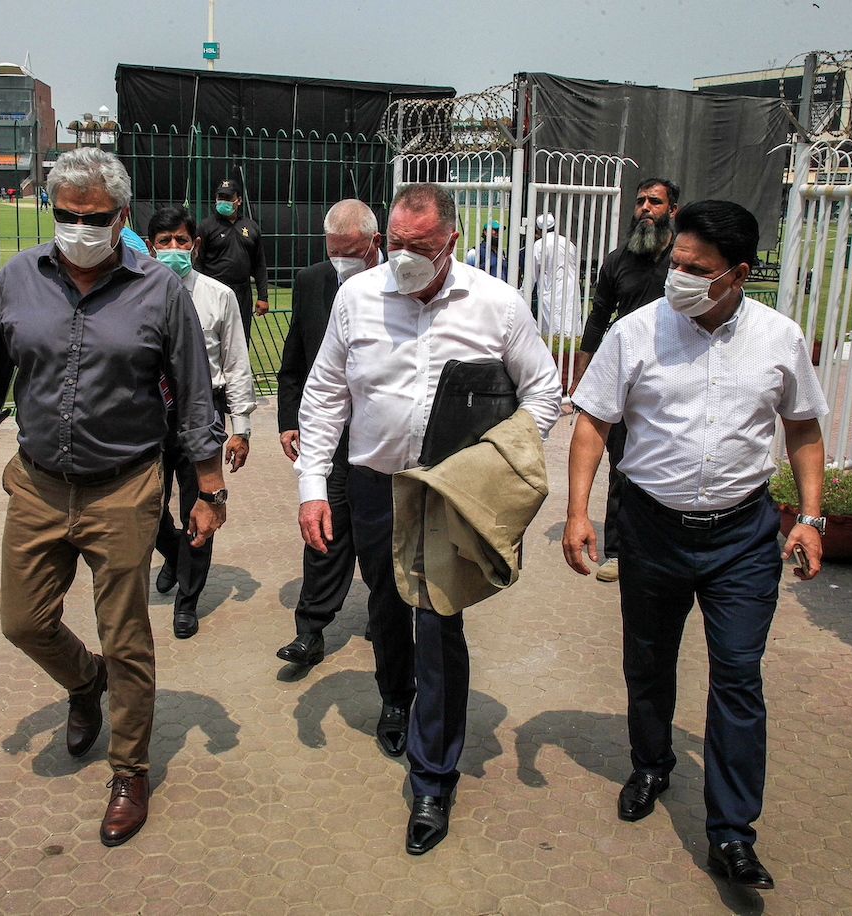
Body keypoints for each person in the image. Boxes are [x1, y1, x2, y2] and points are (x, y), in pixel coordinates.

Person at [0, 147, 226, 848]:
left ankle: (130, 771)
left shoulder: (159, 290)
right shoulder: (17, 280)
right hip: (37, 483)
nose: (79, 228)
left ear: (121, 217)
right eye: (66, 215)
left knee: (126, 636)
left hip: (125, 487)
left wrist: (210, 488)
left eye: (94, 218)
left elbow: (194, 396)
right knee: (22, 621)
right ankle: (81, 681)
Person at [563, 199, 828, 891]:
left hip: (742, 536)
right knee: (648, 663)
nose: (677, 277)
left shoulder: (778, 338)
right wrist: (578, 512)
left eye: (695, 269)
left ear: (738, 274)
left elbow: (801, 427)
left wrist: (812, 516)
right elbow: (592, 422)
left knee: (739, 676)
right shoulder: (636, 332)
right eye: (675, 263)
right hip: (652, 528)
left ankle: (733, 833)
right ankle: (651, 764)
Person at [296, 183, 561, 855]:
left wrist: (503, 469)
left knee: (439, 619)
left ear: (452, 241)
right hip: (376, 482)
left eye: (421, 246)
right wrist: (311, 487)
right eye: (397, 245)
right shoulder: (357, 298)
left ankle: (433, 778)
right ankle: (394, 695)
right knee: (385, 597)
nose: (406, 258)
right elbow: (325, 391)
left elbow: (545, 390)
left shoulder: (496, 304)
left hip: (450, 491)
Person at [274, 199, 383, 668]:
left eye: (350, 251)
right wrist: (288, 420)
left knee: (382, 536)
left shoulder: (397, 284)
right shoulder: (312, 282)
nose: (340, 260)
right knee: (323, 529)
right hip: (329, 435)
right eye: (333, 249)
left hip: (382, 440)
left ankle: (386, 618)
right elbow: (294, 360)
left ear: (374, 245)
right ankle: (311, 630)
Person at [145, 205, 256, 640]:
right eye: (164, 241)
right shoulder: (136, 293)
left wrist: (241, 426)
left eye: (182, 241)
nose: (174, 248)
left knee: (202, 505)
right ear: (150, 246)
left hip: (201, 409)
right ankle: (172, 552)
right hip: (149, 412)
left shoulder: (218, 296)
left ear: (195, 244)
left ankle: (187, 600)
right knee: (146, 507)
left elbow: (236, 362)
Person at [568, 177, 680, 583]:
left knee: (668, 459)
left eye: (655, 201)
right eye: (640, 202)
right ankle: (616, 550)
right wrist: (581, 378)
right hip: (624, 380)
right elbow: (598, 318)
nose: (646, 209)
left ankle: (662, 547)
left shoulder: (681, 263)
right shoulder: (618, 261)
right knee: (620, 464)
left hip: (673, 380)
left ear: (673, 210)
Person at [196, 179, 269, 342]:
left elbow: (259, 264)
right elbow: (198, 262)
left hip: (242, 293)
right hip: (214, 291)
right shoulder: (206, 226)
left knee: (240, 339)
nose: (224, 202)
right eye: (220, 197)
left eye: (228, 198)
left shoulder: (251, 227)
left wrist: (263, 296)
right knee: (211, 338)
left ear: (239, 200)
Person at [530, 213, 583, 339]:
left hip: (551, 292)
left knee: (554, 333)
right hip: (571, 290)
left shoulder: (539, 245)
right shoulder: (568, 243)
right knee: (571, 330)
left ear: (538, 230)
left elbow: (531, 275)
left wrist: (522, 293)